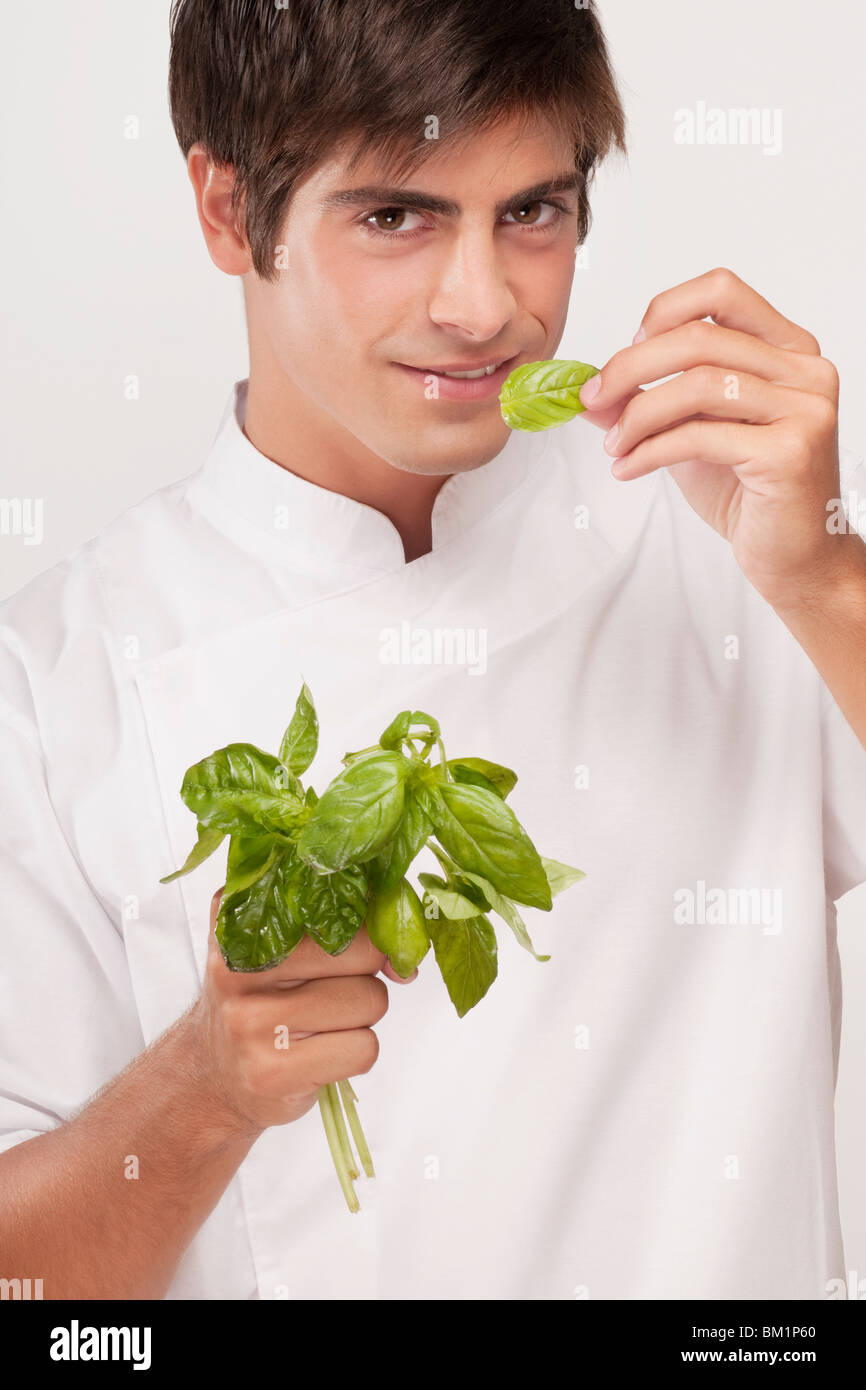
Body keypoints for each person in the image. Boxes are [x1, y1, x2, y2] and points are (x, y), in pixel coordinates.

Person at [1, 0, 865, 1301]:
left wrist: (825, 576)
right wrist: (208, 1085)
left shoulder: (732, 524)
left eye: (532, 210)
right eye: (396, 215)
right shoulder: (57, 677)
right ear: (230, 211)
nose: (485, 307)